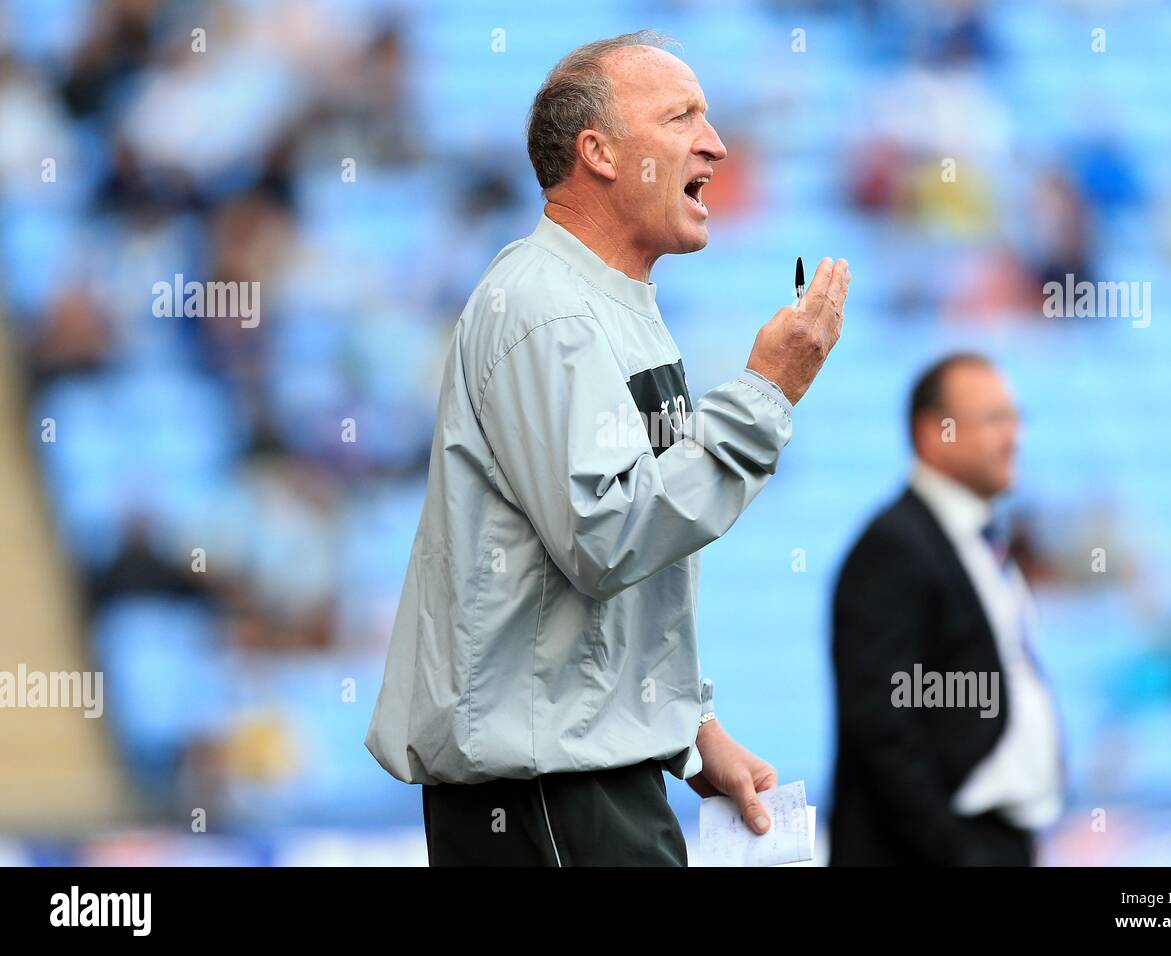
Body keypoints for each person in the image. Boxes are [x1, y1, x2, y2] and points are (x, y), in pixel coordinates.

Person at [364, 30, 852, 866]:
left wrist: (693, 730)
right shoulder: (545, 311)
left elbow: (621, 570)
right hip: (546, 794)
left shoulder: (606, 306)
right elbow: (607, 536)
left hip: (586, 777)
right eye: (681, 117)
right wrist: (767, 393)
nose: (716, 143)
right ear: (598, 153)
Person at [830, 353, 1063, 866]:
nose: (1015, 436)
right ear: (935, 434)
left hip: (997, 839)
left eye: (1016, 417)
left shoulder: (980, 541)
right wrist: (954, 851)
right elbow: (882, 727)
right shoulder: (893, 548)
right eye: (994, 419)